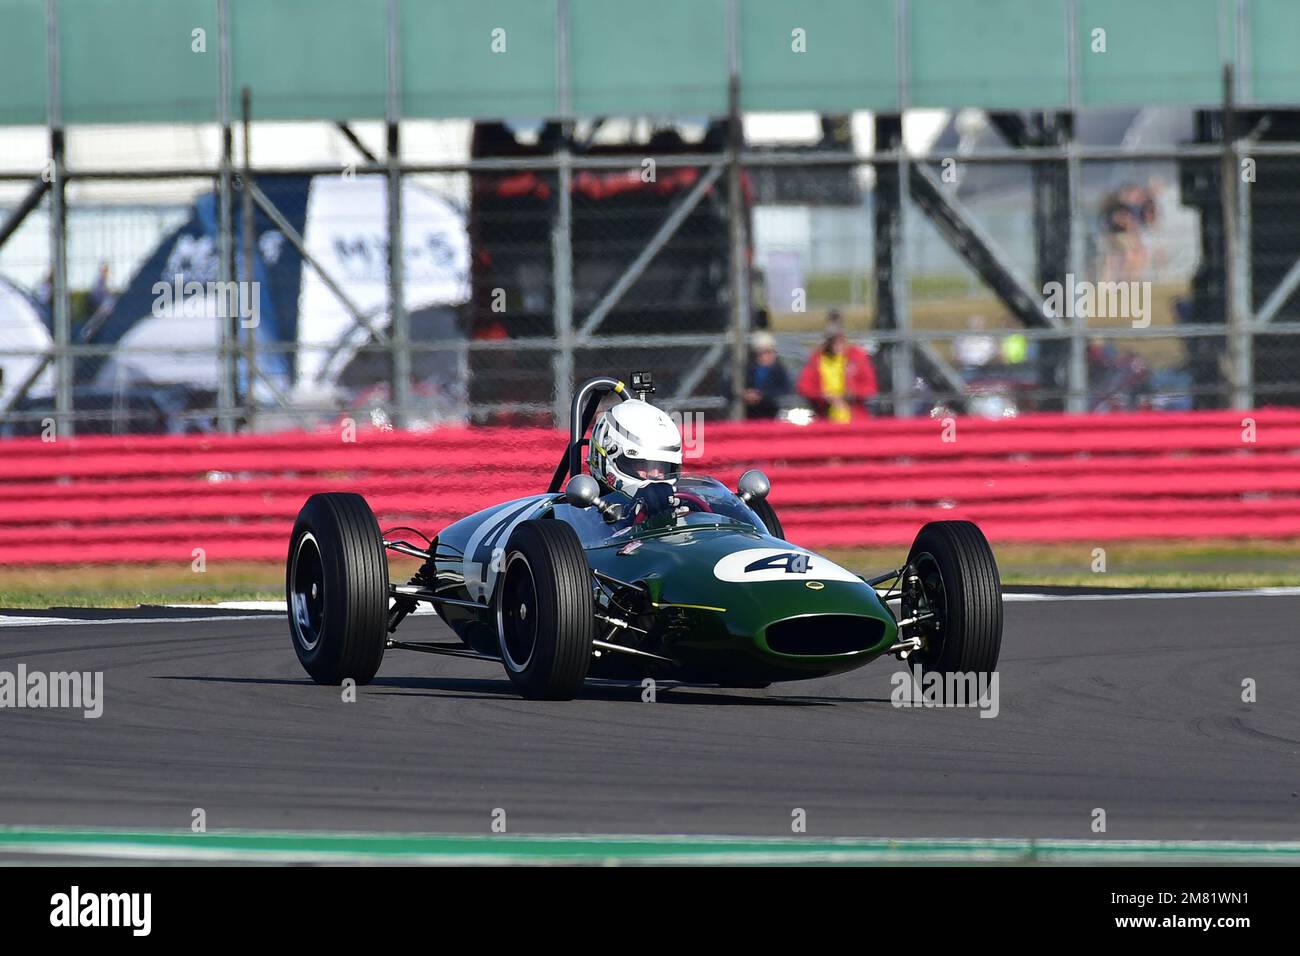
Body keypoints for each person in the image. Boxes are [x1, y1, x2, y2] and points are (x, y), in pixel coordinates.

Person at [588, 397, 684, 522]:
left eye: (662, 467)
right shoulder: (579, 518)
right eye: (642, 465)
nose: (654, 475)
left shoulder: (682, 505)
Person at [796, 314, 877, 423]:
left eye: (839, 338)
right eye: (832, 340)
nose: (836, 343)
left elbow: (870, 386)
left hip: (855, 417)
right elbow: (805, 386)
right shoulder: (817, 358)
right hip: (825, 417)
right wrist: (825, 396)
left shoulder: (856, 356)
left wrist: (850, 394)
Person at [743, 330, 791, 419]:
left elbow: (785, 390)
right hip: (749, 413)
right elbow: (730, 387)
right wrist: (745, 394)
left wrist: (761, 395)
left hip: (772, 411)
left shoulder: (778, 369)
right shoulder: (747, 369)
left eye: (772, 351)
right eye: (766, 352)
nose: (771, 355)